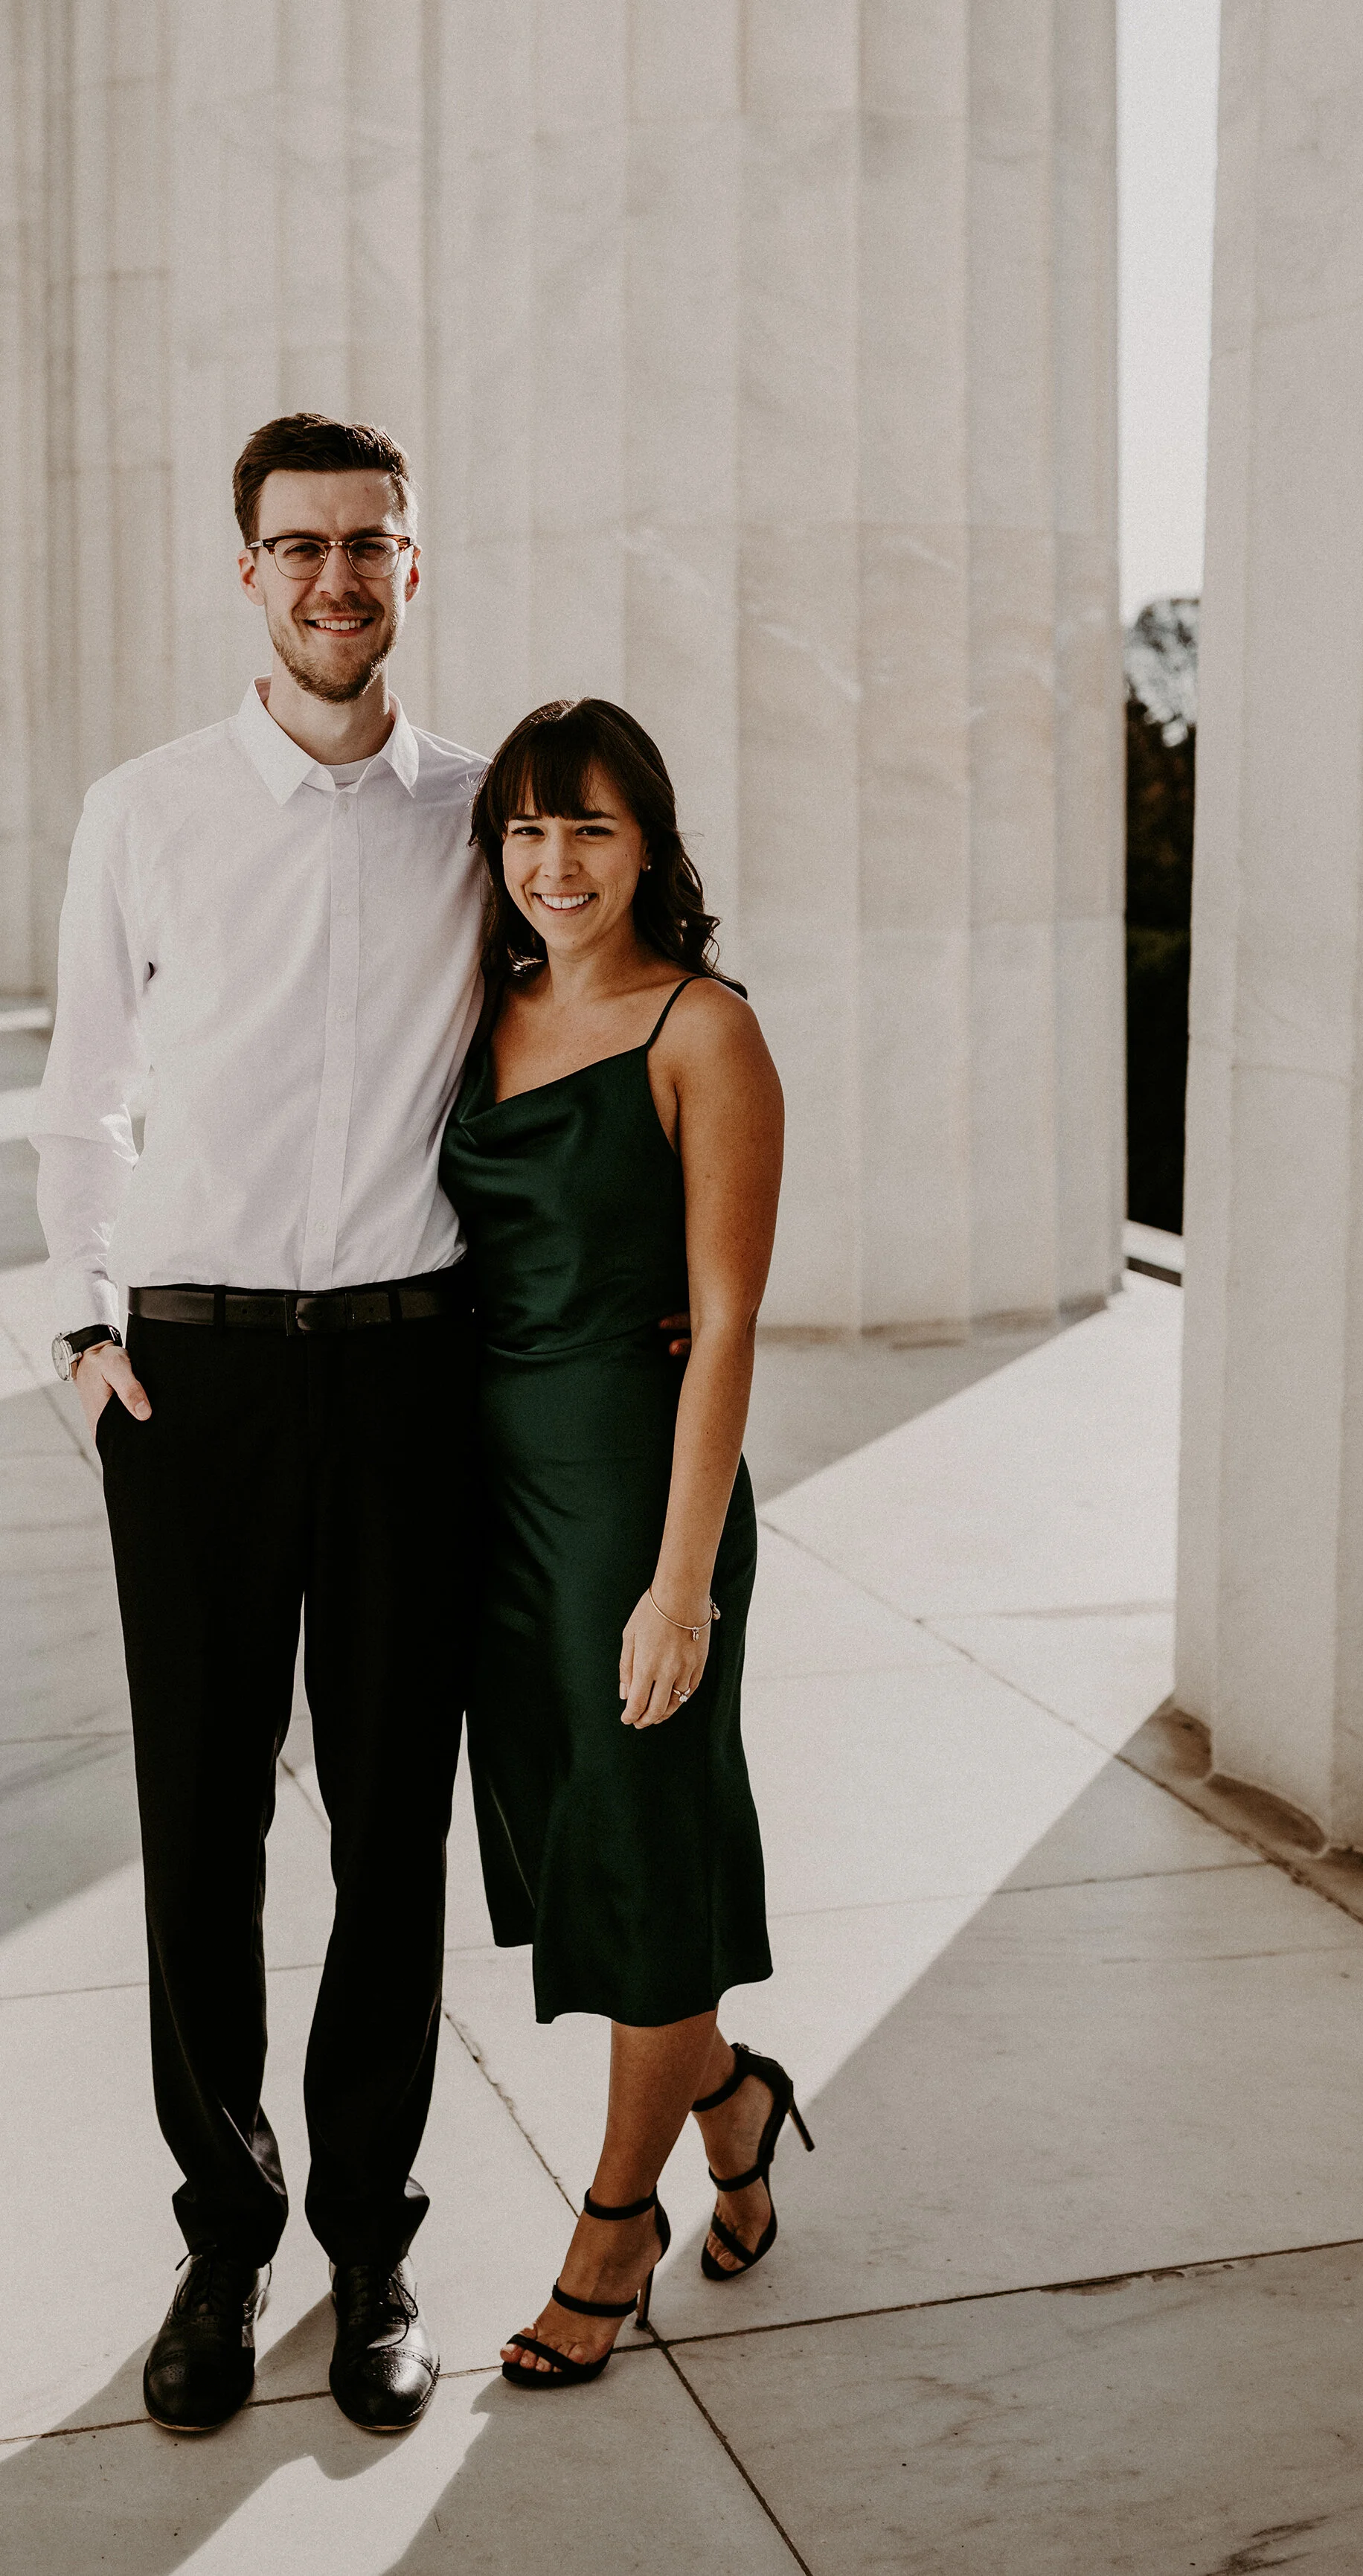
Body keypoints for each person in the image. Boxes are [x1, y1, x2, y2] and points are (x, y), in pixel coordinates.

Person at [31, 413, 486, 2437]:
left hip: (405, 1375)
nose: (333, 578)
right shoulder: (140, 811)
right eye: (297, 545)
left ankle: (375, 2241)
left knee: (391, 1824)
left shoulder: (484, 817)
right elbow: (82, 1084)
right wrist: (80, 1321)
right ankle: (226, 2230)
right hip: (194, 1378)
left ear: (413, 567)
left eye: (368, 545)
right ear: (245, 571)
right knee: (201, 1825)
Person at [437, 696, 807, 2388]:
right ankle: (729, 2096)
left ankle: (612, 2226)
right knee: (585, 1851)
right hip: (488, 1494)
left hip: (635, 1502)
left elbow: (723, 1321)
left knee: (647, 1852)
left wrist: (679, 1585)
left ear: (649, 841)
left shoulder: (701, 1029)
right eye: (522, 828)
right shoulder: (475, 1005)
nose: (551, 861)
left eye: (586, 826)